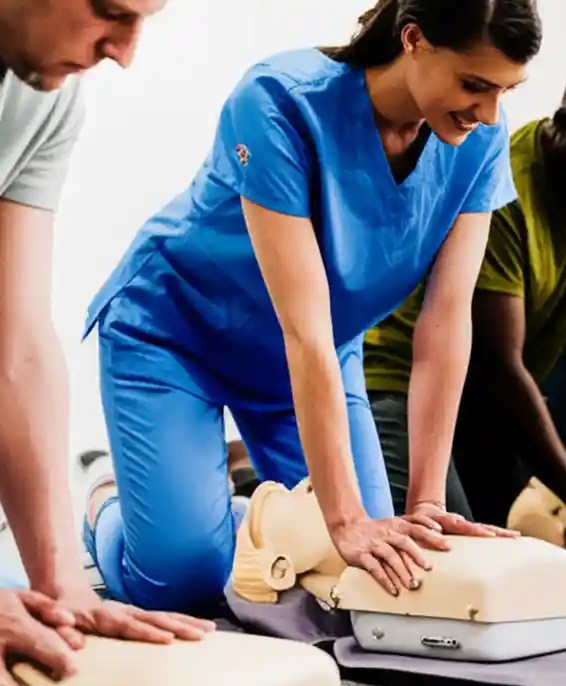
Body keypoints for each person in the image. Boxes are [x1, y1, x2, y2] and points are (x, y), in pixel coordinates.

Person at [79, 0, 541, 615]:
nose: (488, 113)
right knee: (186, 582)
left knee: (366, 570)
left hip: (309, 356)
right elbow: (304, 330)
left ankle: (224, 510)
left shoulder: (480, 140)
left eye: (505, 91)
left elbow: (446, 321)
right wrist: (343, 515)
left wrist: (426, 503)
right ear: (414, 40)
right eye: (474, 85)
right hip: (174, 336)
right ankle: (108, 496)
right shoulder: (277, 100)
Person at [365, 56, 566, 528]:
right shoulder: (508, 186)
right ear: (563, 125)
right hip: (402, 380)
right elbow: (500, 366)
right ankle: (268, 482)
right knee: (442, 558)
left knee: (489, 547)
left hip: (483, 394)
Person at [0, 0, 216, 686]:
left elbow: (19, 344)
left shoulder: (45, 103)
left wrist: (64, 586)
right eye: (109, 12)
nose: (124, 52)